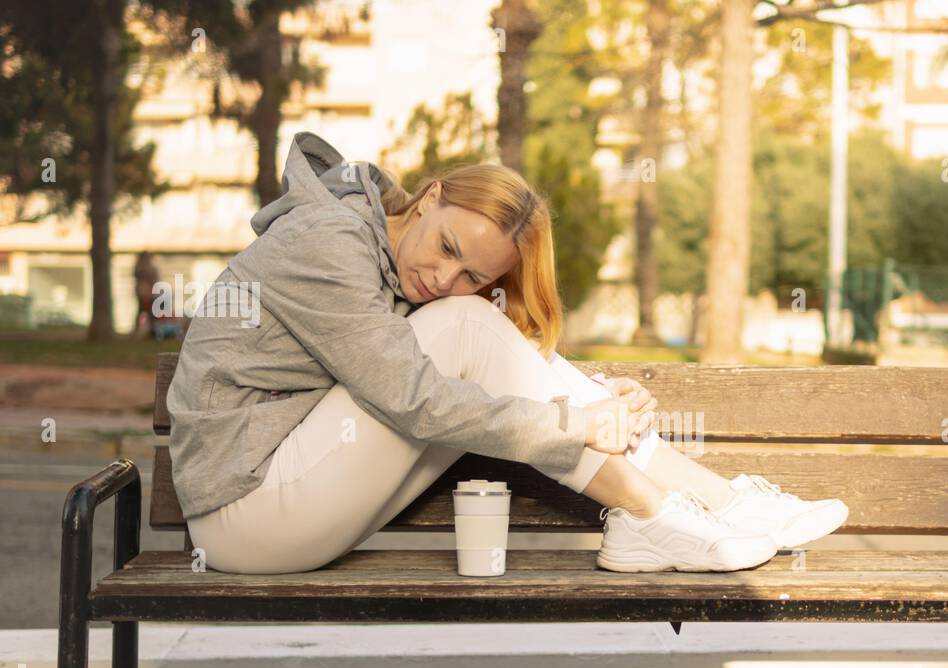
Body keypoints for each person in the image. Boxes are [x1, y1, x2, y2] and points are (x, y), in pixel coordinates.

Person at [166, 132, 847, 574]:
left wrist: (596, 401)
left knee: (467, 325)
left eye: (472, 275)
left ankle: (711, 501)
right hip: (244, 514)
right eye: (448, 248)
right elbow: (415, 399)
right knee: (462, 325)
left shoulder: (387, 249)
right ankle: (653, 512)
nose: (442, 278)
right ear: (430, 197)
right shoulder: (328, 243)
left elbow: (479, 372)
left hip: (297, 492)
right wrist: (577, 421)